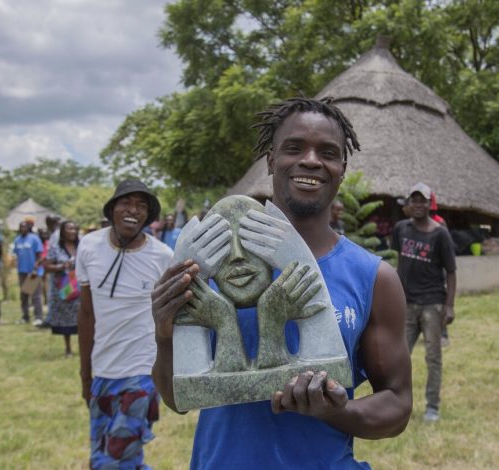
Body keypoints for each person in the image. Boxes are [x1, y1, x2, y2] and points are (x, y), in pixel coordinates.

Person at [151, 97, 412, 468]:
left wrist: (333, 411)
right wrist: (164, 334)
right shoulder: (213, 268)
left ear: (341, 168)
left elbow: (398, 405)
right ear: (271, 160)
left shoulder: (373, 277)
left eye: (327, 152)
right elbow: (178, 399)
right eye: (293, 148)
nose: (310, 160)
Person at [77, 179, 173, 469]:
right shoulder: (89, 246)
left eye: (141, 205)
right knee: (101, 454)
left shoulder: (162, 257)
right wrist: (85, 376)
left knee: (117, 457)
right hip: (103, 371)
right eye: (126, 202)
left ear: (148, 215)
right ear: (112, 209)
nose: (133, 210)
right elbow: (85, 314)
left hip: (142, 373)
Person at [391, 182, 457, 422]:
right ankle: (397, 403)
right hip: (406, 303)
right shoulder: (401, 229)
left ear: (430, 204)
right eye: (414, 200)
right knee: (399, 356)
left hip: (432, 303)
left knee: (433, 357)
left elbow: (451, 271)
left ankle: (432, 406)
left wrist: (449, 306)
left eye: (422, 200)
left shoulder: (440, 233)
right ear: (409, 204)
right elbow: (400, 262)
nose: (418, 205)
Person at [44, 220, 80, 356]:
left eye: (74, 229)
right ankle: (68, 348)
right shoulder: (55, 248)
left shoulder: (82, 246)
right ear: (62, 232)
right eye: (69, 229)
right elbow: (47, 266)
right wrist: (61, 266)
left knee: (83, 316)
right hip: (64, 288)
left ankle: (85, 346)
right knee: (66, 318)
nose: (72, 231)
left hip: (81, 287)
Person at [13, 221, 44, 325]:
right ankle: (25, 316)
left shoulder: (34, 239)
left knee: (35, 295)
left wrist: (36, 265)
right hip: (22, 271)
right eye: (21, 227)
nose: (23, 229)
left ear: (28, 228)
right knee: (24, 295)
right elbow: (16, 254)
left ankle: (38, 317)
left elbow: (40, 255)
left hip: (33, 271)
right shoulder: (17, 240)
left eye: (24, 227)